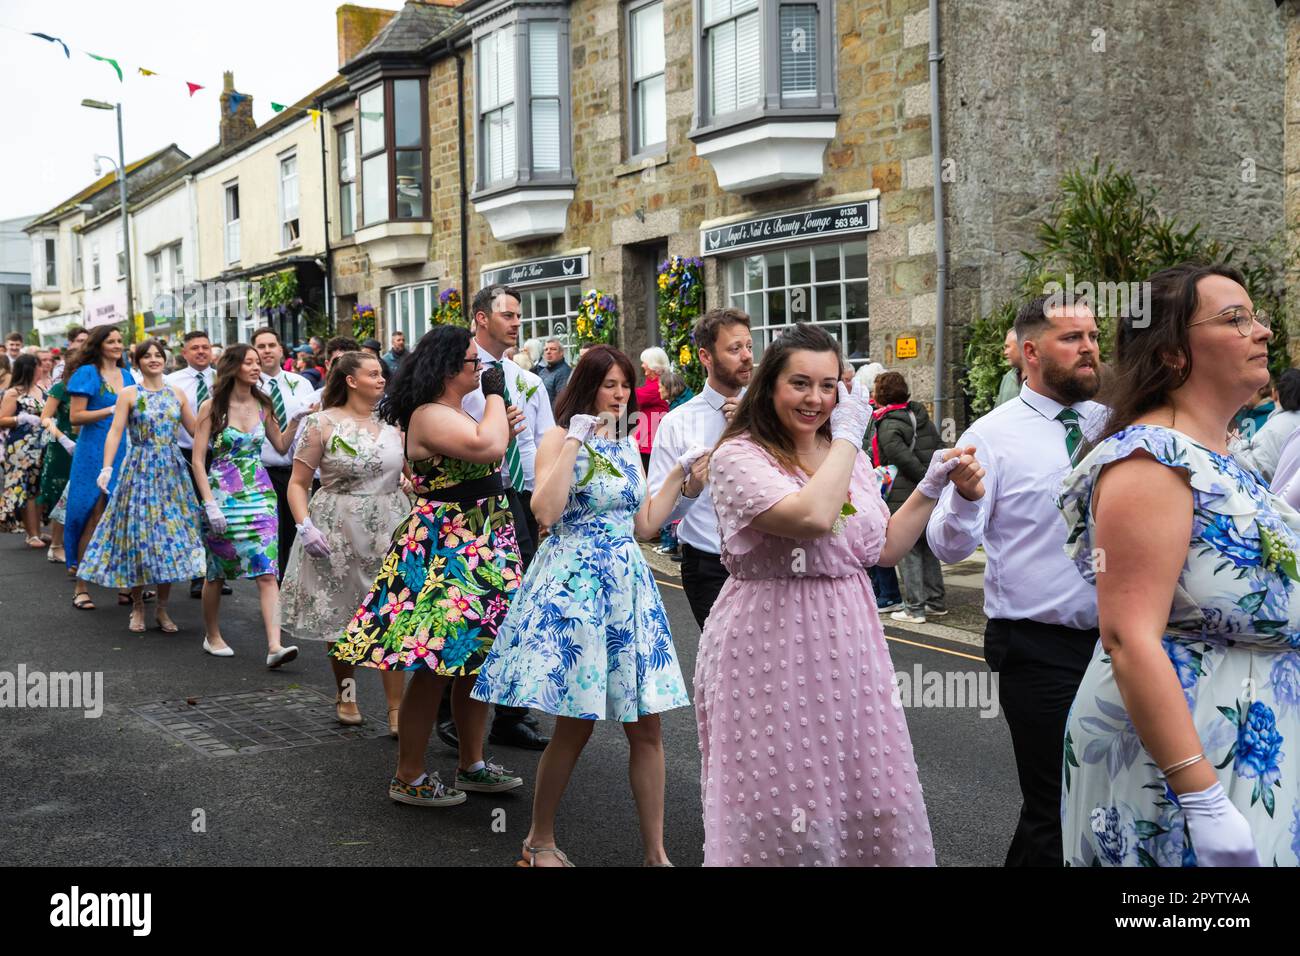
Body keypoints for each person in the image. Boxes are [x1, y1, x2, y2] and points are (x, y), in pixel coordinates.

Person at [695, 323, 983, 866]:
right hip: (768, 644)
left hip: (850, 645)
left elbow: (882, 550)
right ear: (769, 386)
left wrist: (931, 487)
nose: (816, 399)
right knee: (780, 803)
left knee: (870, 795)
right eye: (800, 384)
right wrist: (851, 437)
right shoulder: (740, 455)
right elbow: (812, 516)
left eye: (829, 386)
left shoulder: (837, 449)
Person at [1059, 262, 1298, 867]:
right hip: (1182, 762)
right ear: (1170, 353)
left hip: (1245, 743)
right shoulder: (1152, 461)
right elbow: (1128, 636)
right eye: (1234, 319)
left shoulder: (1223, 457)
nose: (1262, 331)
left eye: (1256, 316)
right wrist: (1202, 797)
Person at [473, 345, 701, 866]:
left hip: (627, 586)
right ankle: (538, 840)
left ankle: (656, 854)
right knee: (575, 724)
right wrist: (575, 438)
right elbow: (544, 509)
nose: (620, 395)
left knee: (647, 725)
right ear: (587, 386)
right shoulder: (560, 435)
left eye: (625, 386)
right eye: (610, 385)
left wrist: (680, 483)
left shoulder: (625, 444)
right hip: (576, 586)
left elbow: (643, 526)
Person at [926, 292, 1105, 867]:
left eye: (1094, 337)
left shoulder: (1113, 424)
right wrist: (963, 496)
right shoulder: (991, 435)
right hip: (1040, 646)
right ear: (1031, 351)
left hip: (1125, 641)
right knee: (1056, 809)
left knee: (1110, 804)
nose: (1089, 350)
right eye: (1072, 338)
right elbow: (948, 546)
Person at [330, 325, 525, 806]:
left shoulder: (454, 412)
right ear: (447, 368)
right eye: (471, 361)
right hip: (448, 550)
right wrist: (498, 405)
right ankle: (409, 776)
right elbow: (488, 448)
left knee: (474, 662)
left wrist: (497, 421)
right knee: (436, 665)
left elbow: (487, 447)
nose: (480, 369)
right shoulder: (430, 414)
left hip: (480, 542)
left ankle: (471, 764)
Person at [280, 351, 407, 731]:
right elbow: (298, 484)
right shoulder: (322, 423)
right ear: (351, 380)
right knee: (342, 617)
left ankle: (396, 707)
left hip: (390, 523)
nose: (381, 379)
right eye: (372, 374)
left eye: (382, 373)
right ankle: (347, 694)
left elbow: (407, 467)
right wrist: (304, 526)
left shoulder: (393, 422)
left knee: (391, 614)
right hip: (337, 526)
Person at [454, 285, 556, 751]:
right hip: (469, 498)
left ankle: (511, 713)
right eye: (508, 315)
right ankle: (454, 711)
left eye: (519, 316)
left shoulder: (526, 379)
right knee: (470, 604)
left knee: (522, 603)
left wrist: (542, 506)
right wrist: (491, 428)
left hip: (516, 498)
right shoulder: (456, 373)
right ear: (480, 318)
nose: (517, 323)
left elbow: (540, 443)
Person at [191, 344, 309, 666]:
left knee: (268, 571)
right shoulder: (211, 407)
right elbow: (198, 461)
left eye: (258, 362)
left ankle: (275, 646)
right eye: (249, 362)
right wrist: (210, 504)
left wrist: (296, 421)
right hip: (222, 497)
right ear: (233, 367)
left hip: (259, 495)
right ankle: (212, 635)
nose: (256, 367)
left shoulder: (263, 404)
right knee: (216, 573)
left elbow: (281, 446)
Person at [77, 340, 203, 634]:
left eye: (159, 355)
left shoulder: (178, 393)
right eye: (147, 356)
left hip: (171, 472)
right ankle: (137, 605)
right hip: (140, 469)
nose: (154, 360)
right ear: (137, 362)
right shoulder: (129, 394)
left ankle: (162, 608)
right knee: (140, 537)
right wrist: (107, 467)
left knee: (168, 538)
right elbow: (116, 432)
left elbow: (197, 431)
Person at [647, 308, 753, 630]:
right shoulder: (678, 422)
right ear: (705, 356)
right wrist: (690, 488)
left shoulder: (771, 413)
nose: (747, 356)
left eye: (749, 346)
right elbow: (655, 515)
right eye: (735, 349)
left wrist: (753, 431)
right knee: (726, 668)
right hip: (708, 565)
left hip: (769, 562)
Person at [64, 327, 135, 608]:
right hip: (93, 450)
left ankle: (125, 585)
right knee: (91, 514)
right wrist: (111, 410)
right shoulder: (87, 373)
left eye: (120, 340)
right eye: (111, 341)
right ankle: (81, 586)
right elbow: (75, 416)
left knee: (122, 518)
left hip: (125, 450)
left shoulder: (127, 375)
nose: (117, 345)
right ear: (98, 345)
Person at [872, 371, 947, 624]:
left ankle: (915, 608)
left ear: (881, 394)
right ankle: (936, 601)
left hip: (904, 494)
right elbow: (938, 448)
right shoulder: (919, 415)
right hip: (928, 492)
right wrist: (933, 482)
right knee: (928, 546)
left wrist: (925, 481)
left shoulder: (888, 422)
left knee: (909, 550)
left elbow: (899, 457)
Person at [165, 330, 225, 600]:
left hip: (221, 454)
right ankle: (197, 574)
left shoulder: (223, 379)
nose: (201, 352)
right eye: (195, 348)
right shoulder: (172, 382)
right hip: (187, 454)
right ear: (185, 353)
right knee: (194, 514)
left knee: (219, 511)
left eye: (205, 347)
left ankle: (218, 571)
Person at [252, 327, 314, 579]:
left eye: (271, 345)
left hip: (294, 470)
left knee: (292, 533)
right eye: (261, 346)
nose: (267, 351)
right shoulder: (249, 387)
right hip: (261, 471)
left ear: (280, 349)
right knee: (269, 536)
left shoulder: (301, 384)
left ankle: (286, 587)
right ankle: (272, 589)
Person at [0, 354, 50, 546]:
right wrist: (19, 419)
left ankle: (37, 530)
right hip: (21, 447)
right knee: (26, 488)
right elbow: (2, 419)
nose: (43, 368)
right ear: (30, 368)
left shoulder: (41, 389)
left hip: (41, 443)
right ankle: (31, 534)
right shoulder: (14, 392)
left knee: (38, 488)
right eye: (39, 365)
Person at [1232, 367, 1300, 483]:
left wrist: (1236, 444)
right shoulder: (1243, 415)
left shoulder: (1274, 428)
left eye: (1248, 387)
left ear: (1274, 393)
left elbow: (1260, 472)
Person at [38, 370, 77, 564]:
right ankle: (56, 545)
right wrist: (63, 439)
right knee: (61, 494)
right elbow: (45, 417)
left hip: (88, 443)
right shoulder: (61, 387)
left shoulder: (95, 386)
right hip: (63, 446)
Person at [635, 347, 671, 473]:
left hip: (649, 444)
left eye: (644, 362)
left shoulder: (658, 386)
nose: (642, 365)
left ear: (652, 365)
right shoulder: (653, 383)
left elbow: (632, 397)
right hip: (646, 442)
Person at [535, 338, 572, 406]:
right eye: (546, 349)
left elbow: (561, 402)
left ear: (561, 352)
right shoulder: (543, 371)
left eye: (553, 349)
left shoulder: (564, 372)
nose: (548, 352)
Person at [995, 327, 1024, 407]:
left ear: (1022, 346)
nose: (1004, 352)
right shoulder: (1007, 378)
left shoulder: (1042, 379)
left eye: (1007, 347)